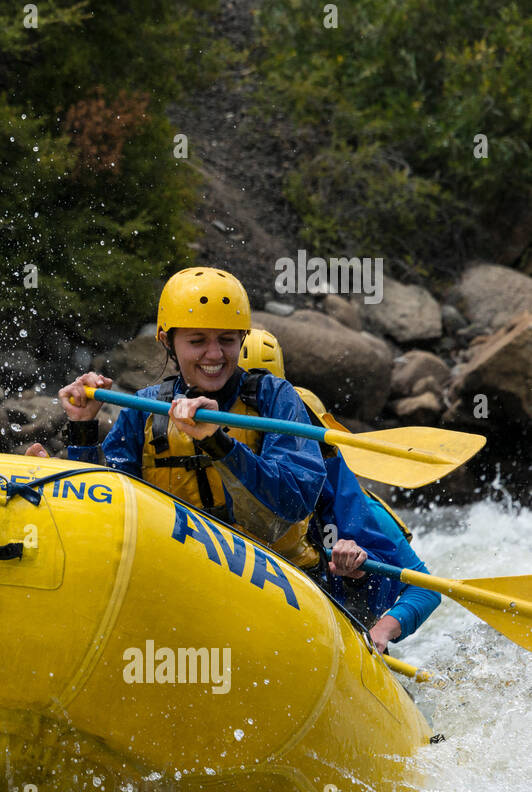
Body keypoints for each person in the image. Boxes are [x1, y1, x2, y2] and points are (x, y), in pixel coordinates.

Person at [54, 267, 326, 570]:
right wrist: (82, 428)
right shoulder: (144, 407)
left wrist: (219, 444)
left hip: (273, 572)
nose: (214, 354)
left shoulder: (275, 397)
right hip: (182, 572)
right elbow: (104, 510)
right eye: (197, 341)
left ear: (242, 339)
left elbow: (292, 504)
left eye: (227, 340)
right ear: (167, 341)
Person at [239, 330, 440, 651]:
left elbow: (426, 589)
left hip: (339, 628)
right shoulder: (212, 467)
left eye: (301, 442)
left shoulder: (363, 510)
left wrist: (382, 631)